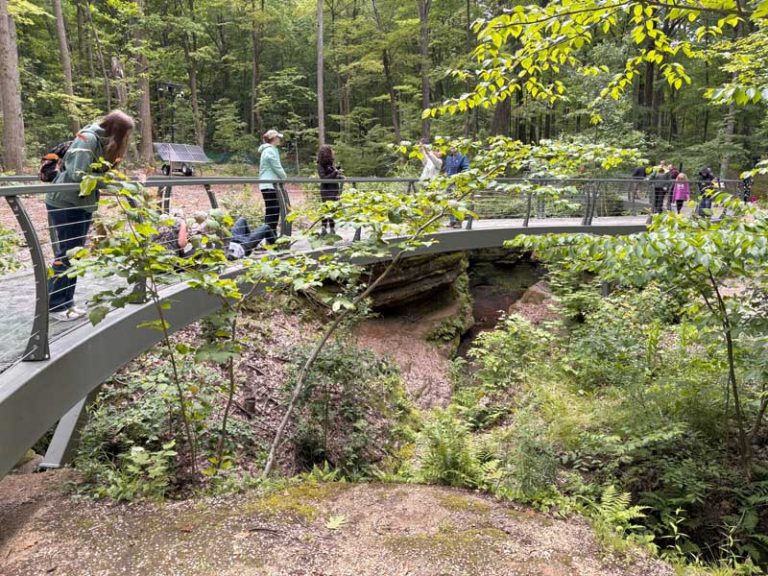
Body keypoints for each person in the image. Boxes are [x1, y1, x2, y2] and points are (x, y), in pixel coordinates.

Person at [45, 110, 134, 321]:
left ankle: (67, 302)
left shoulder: (101, 142)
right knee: (67, 254)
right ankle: (56, 305)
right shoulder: (88, 139)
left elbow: (93, 174)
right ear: (116, 131)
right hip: (66, 203)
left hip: (81, 203)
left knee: (75, 255)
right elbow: (78, 175)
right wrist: (112, 183)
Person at [257, 129, 286, 239]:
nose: (279, 139)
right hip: (269, 185)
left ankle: (271, 237)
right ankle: (270, 238)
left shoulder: (270, 149)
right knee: (272, 212)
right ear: (273, 139)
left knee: (273, 211)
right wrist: (284, 177)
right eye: (278, 137)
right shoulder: (269, 150)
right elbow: (276, 166)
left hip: (269, 185)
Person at [316, 144, 344, 236]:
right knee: (326, 210)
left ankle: (332, 229)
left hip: (334, 190)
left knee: (333, 210)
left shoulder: (331, 164)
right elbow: (324, 179)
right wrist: (335, 172)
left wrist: (340, 176)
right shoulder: (320, 165)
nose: (333, 152)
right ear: (327, 153)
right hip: (326, 191)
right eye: (331, 151)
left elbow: (333, 177)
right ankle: (324, 229)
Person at [443, 146, 470, 228]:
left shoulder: (463, 157)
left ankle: (459, 222)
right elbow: (447, 168)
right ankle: (452, 221)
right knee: (450, 202)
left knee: (458, 202)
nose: (452, 149)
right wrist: (445, 173)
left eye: (454, 147)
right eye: (451, 147)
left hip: (458, 183)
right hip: (449, 182)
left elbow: (466, 168)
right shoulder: (448, 157)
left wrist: (460, 177)